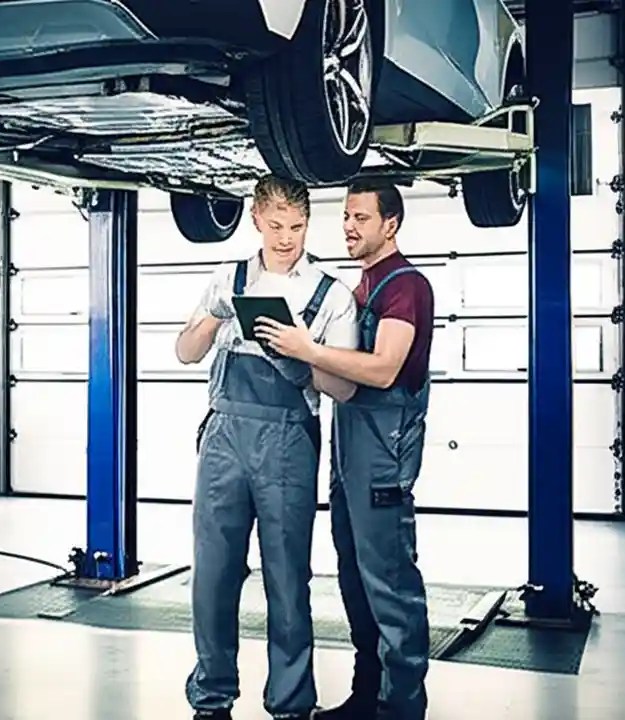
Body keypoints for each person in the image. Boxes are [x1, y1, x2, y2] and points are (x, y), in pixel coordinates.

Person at [176, 174, 359, 720]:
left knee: (287, 575)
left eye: (297, 226)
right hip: (224, 437)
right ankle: (211, 697)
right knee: (213, 572)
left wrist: (304, 356)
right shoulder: (225, 278)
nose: (286, 238)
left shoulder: (331, 294)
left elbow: (345, 388)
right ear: (256, 219)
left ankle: (291, 702)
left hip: (288, 441)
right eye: (276, 225)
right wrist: (215, 316)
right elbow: (185, 352)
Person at [255, 181, 434, 720]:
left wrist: (309, 348)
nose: (350, 227)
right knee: (356, 578)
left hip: (383, 457)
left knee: (390, 583)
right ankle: (367, 696)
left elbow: (383, 369)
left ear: (391, 225)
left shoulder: (406, 287)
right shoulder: (362, 288)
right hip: (349, 455)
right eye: (346, 217)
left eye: (361, 217)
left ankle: (401, 707)